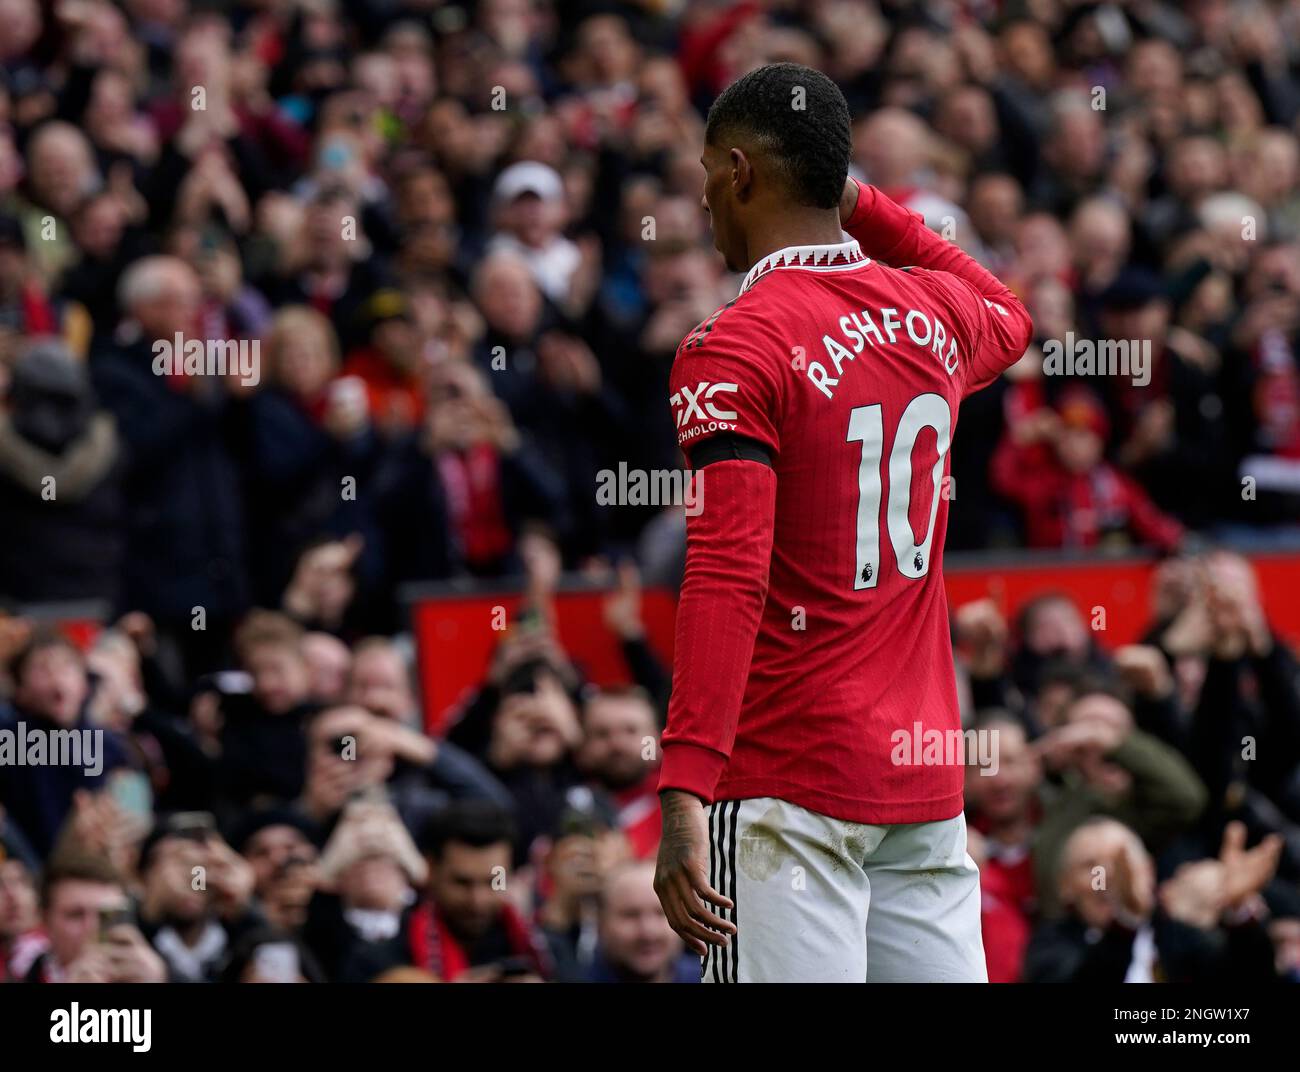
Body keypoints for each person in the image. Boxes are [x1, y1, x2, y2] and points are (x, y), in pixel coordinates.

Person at [652, 63, 1032, 983]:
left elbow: (728, 575)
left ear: (739, 171)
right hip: (922, 783)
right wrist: (860, 201)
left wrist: (682, 787)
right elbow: (1013, 315)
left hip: (787, 782)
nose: (703, 199)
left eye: (707, 172)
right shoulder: (935, 313)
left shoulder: (732, 346)